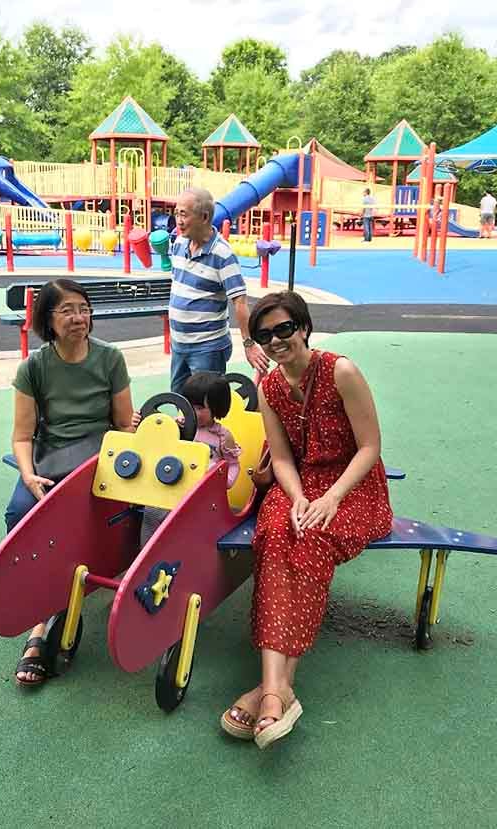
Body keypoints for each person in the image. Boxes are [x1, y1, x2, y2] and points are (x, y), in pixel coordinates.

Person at [221, 291, 393, 749]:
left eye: (283, 329)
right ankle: (280, 691)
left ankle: (268, 691)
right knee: (275, 536)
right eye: (264, 334)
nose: (276, 341)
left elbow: (370, 447)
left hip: (353, 487)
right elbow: (280, 457)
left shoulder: (341, 370)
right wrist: (296, 497)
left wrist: (332, 498)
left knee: (312, 541)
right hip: (301, 483)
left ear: (302, 327)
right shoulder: (270, 387)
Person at [8, 278, 134, 686]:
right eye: (67, 310)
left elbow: (121, 427)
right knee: (20, 512)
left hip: (98, 457)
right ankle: (41, 616)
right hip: (51, 457)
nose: (79, 318)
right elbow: (23, 436)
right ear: (49, 319)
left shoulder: (111, 359)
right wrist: (28, 474)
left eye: (83, 308)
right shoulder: (34, 368)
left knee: (79, 520)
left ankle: (48, 621)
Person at [169, 187, 269, 392]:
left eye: (184, 214)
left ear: (204, 217)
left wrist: (249, 344)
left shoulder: (222, 254)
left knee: (205, 405)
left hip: (207, 347)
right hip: (179, 343)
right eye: (176, 213)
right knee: (180, 401)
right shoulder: (179, 244)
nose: (178, 220)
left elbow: (240, 302)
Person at [134, 371, 242, 547]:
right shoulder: (179, 426)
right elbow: (156, 443)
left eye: (200, 408)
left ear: (216, 408)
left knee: (191, 521)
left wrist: (225, 481)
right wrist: (142, 423)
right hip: (174, 483)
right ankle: (147, 551)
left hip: (202, 493)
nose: (193, 411)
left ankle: (188, 552)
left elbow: (233, 464)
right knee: (152, 511)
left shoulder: (222, 436)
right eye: (189, 405)